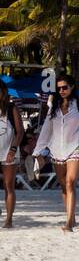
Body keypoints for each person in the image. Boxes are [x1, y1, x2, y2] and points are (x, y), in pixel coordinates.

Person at [33, 74, 79, 232]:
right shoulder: (54, 108)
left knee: (70, 183)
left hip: (76, 148)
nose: (62, 90)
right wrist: (37, 151)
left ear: (72, 87)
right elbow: (46, 130)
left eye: (65, 87)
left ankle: (69, 223)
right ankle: (71, 216)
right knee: (64, 186)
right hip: (56, 150)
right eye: (59, 88)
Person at [0, 80, 25, 228]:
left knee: (9, 186)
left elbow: (20, 131)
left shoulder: (11, 108)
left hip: (9, 151)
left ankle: (9, 219)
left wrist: (13, 149)